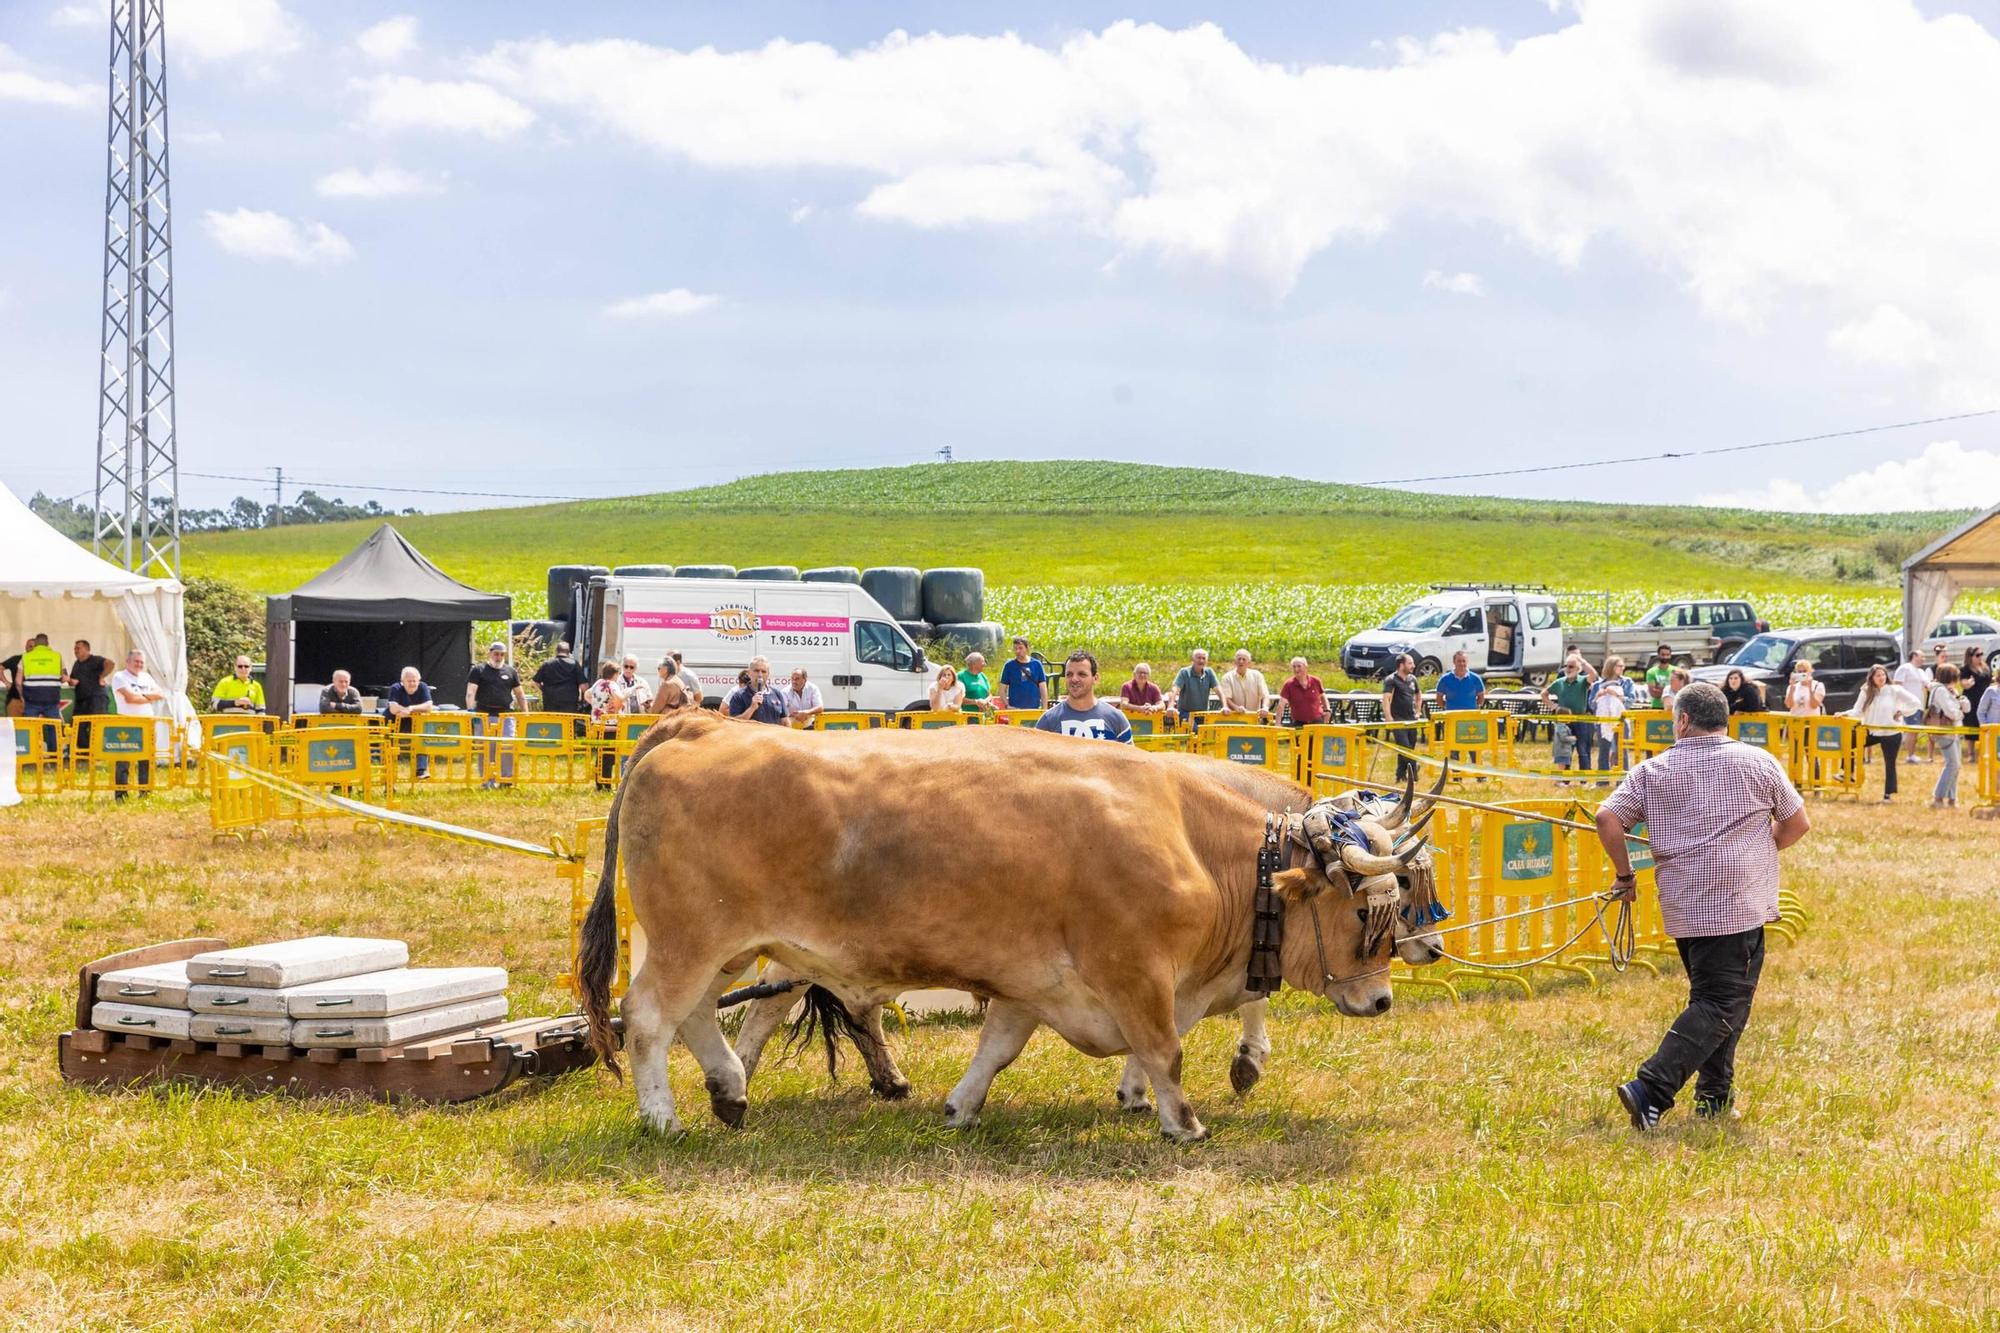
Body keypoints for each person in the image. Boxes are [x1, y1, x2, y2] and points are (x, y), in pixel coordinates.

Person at [1595, 681, 1810, 1129]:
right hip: (1738, 901)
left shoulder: (1653, 771)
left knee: (1721, 1002)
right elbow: (1797, 823)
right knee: (1721, 1003)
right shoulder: (1759, 762)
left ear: (1685, 721)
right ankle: (1651, 1088)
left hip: (1684, 904)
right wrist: (1762, 847)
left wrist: (1624, 875)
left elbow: (1607, 817)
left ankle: (1714, 1096)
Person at [1848, 664, 1921, 801]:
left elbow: (1915, 702)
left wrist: (1902, 712)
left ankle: (1888, 795)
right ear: (1872, 678)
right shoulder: (1866, 691)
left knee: (1890, 763)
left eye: (1883, 675)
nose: (1881, 678)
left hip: (1891, 733)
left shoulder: (1894, 690)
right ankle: (1847, 772)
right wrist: (1844, 714)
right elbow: (1857, 711)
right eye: (1878, 675)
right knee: (1849, 741)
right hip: (1872, 731)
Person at [1034, 651, 1133, 742]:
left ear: (1095, 678)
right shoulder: (1048, 721)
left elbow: (1129, 760)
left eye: (1082, 674)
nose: (1074, 679)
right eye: (1069, 674)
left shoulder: (1116, 719)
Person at [466, 641, 525, 789]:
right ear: (490, 653)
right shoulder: (478, 670)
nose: (498, 657)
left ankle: (507, 779)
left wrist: (526, 713)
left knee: (508, 745)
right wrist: (472, 713)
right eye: (496, 653)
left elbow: (520, 694)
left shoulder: (511, 671)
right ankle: (487, 781)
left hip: (506, 714)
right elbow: (470, 692)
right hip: (484, 714)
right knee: (486, 748)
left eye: (501, 654)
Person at [108, 648, 165, 799]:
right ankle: (121, 794)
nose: (139, 665)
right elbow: (130, 698)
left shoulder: (147, 677)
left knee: (146, 759)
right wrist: (148, 697)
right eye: (136, 661)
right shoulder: (119, 677)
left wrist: (140, 696)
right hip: (126, 721)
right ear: (127, 662)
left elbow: (160, 694)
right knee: (123, 759)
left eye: (141, 662)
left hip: (147, 722)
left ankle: (145, 792)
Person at [1541, 655, 1595, 778]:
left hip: (1581, 720)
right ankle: (1565, 779)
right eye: (1566, 666)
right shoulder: (1559, 682)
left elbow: (1593, 675)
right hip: (1564, 721)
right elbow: (1544, 694)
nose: (1568, 669)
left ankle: (1584, 779)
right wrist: (1554, 706)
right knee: (1565, 752)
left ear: (1578, 669)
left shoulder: (1583, 681)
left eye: (1571, 666)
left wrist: (1582, 661)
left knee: (1583, 751)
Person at [16, 633, 65, 755]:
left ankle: (31, 756)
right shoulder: (57, 656)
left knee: (30, 729)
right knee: (54, 728)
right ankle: (55, 757)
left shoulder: (25, 657)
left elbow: (17, 681)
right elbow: (64, 677)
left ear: (36, 644)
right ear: (48, 643)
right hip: (52, 700)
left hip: (32, 699)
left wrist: (22, 697)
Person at [384, 666, 436, 779]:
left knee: (422, 737)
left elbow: (428, 706)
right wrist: (409, 710)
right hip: (392, 724)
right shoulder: (395, 688)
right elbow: (393, 709)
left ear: (419, 680)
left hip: (413, 722)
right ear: (402, 682)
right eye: (409, 681)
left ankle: (421, 770)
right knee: (389, 747)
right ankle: (389, 775)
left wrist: (410, 709)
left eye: (414, 681)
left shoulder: (423, 687)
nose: (412, 684)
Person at [1926, 664, 1966, 809]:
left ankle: (1952, 799)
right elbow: (1951, 712)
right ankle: (1938, 797)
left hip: (1953, 730)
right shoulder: (1941, 691)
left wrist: (1959, 701)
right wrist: (1960, 713)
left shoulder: (1949, 690)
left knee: (1956, 766)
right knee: (1953, 765)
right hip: (1945, 731)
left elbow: (1962, 707)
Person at [1590, 656, 1637, 776]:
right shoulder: (1597, 685)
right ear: (1611, 667)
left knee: (1622, 751)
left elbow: (1631, 699)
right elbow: (1591, 705)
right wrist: (1598, 696)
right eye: (1619, 666)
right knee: (1603, 750)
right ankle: (1602, 781)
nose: (1623, 668)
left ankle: (1622, 781)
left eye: (1623, 666)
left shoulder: (1627, 682)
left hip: (1621, 720)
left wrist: (1616, 695)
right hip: (1604, 721)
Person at [586, 662, 628, 789]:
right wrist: (618, 706)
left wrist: (596, 705)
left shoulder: (597, 683)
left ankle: (599, 783)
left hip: (597, 723)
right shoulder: (612, 684)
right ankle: (607, 784)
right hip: (610, 724)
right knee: (609, 755)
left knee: (600, 754)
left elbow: (587, 694)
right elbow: (620, 697)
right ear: (615, 674)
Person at [1381, 652, 1422, 782]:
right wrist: (1388, 717)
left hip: (1411, 719)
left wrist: (1418, 711)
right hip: (1398, 719)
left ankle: (1400, 775)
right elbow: (1386, 699)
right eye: (1410, 663)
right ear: (1401, 665)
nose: (1413, 666)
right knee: (1404, 747)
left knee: (1408, 747)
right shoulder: (1391, 680)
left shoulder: (1413, 679)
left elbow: (1419, 695)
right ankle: (1415, 768)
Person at [67, 639, 112, 756]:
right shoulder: (76, 664)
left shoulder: (95, 659)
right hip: (82, 699)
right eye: (75, 648)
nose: (75, 651)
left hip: (97, 697)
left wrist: (102, 676)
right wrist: (70, 681)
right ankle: (87, 753)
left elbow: (110, 663)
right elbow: (74, 680)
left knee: (96, 726)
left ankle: (98, 754)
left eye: (78, 648)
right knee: (77, 727)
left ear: (87, 649)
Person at [1892, 649, 1931, 763]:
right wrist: (1898, 705)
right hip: (1907, 706)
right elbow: (1897, 686)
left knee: (1914, 730)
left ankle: (1910, 753)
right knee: (1911, 730)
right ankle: (1910, 755)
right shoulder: (1905, 668)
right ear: (1914, 656)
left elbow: (1928, 685)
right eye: (1921, 656)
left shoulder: (1921, 672)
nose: (1923, 659)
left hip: (1919, 706)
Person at [726, 656, 789, 725]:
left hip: (773, 735)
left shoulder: (777, 694)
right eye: (756, 671)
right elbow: (734, 724)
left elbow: (785, 721)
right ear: (749, 673)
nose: (760, 675)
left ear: (768, 674)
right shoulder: (739, 696)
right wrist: (751, 708)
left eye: (764, 671)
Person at [533, 641, 586, 716]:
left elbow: (536, 682)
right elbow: (583, 685)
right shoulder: (575, 664)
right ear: (568, 652)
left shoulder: (547, 664)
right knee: (568, 724)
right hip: (570, 701)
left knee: (552, 724)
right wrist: (586, 699)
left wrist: (544, 689)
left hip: (550, 701)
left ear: (556, 651)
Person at [1169, 648, 1221, 721]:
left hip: (1203, 714)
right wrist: (1170, 706)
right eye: (1198, 658)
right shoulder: (1184, 672)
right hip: (1186, 713)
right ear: (1193, 659)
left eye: (1203, 658)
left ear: (1206, 661)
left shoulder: (1209, 673)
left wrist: (1225, 706)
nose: (1201, 661)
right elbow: (1174, 690)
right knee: (1197, 730)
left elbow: (1219, 690)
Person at [999, 637, 1048, 711]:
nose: (1017, 651)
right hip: (1015, 710)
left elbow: (1043, 688)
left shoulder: (1036, 664)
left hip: (1034, 709)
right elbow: (1002, 690)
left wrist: (1044, 709)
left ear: (1027, 648)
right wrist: (1007, 705)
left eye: (1020, 648)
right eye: (1015, 648)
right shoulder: (1009, 666)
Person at [1217, 649, 1269, 718]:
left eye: (1244, 659)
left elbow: (1265, 695)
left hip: (1254, 718)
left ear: (1249, 663)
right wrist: (1236, 708)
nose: (1241, 661)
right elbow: (1226, 698)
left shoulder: (1257, 675)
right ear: (1235, 662)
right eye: (1239, 659)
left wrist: (1265, 707)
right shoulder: (1227, 677)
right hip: (1234, 718)